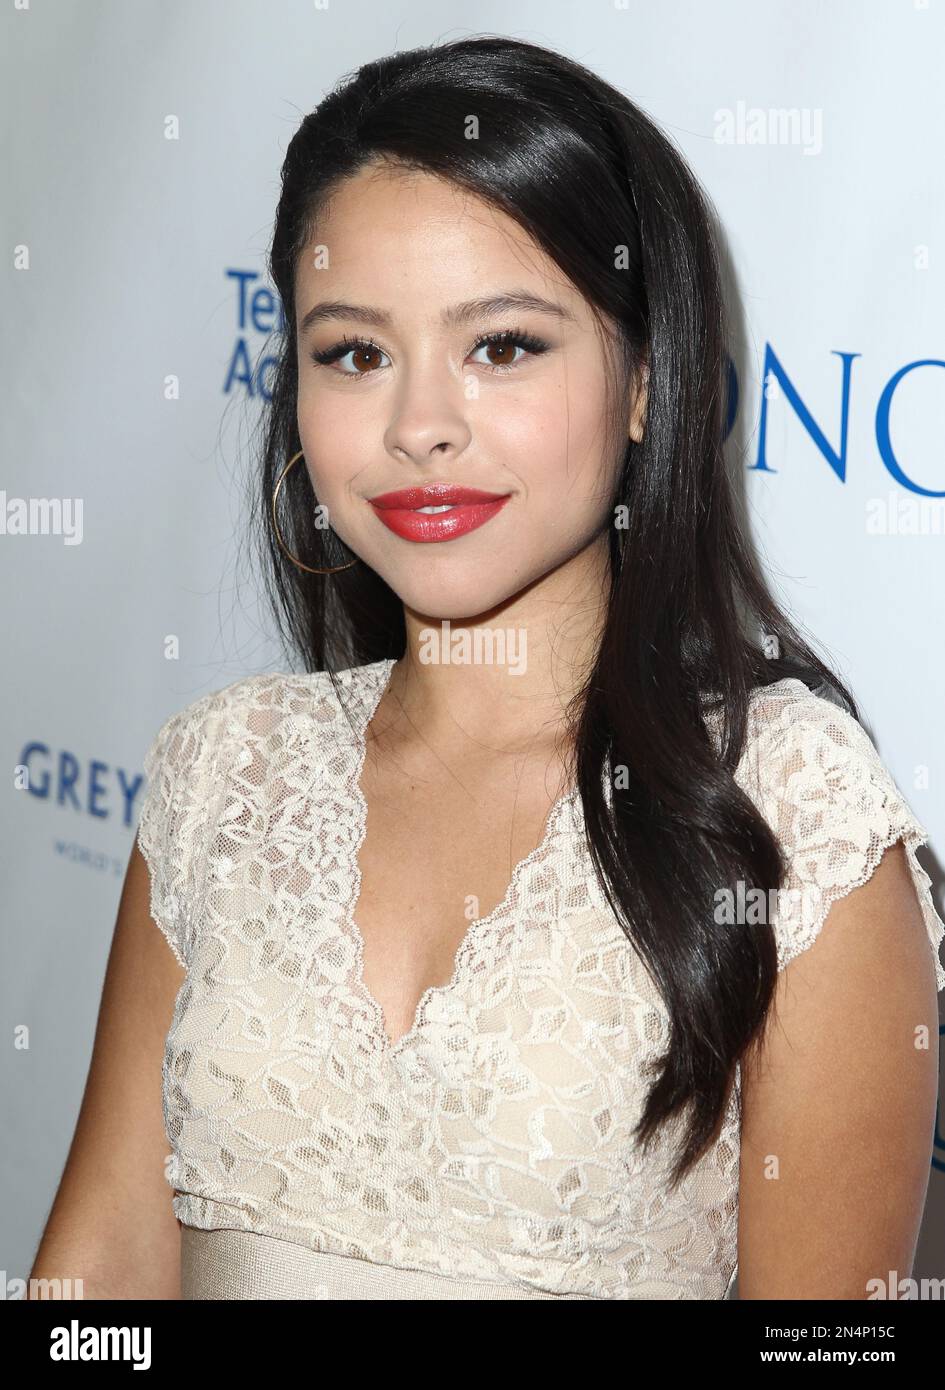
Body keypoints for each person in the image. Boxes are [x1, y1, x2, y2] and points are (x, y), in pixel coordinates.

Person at [30, 35, 944, 1301]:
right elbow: (95, 1295)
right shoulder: (223, 770)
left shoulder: (794, 811)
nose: (419, 426)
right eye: (354, 352)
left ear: (643, 378)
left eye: (504, 345)